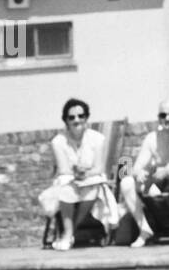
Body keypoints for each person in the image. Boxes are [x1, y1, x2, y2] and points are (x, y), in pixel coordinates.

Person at [39, 98, 119, 250]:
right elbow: (63, 170)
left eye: (81, 116)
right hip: (69, 180)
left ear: (86, 118)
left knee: (93, 190)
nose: (77, 120)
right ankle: (69, 233)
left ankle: (69, 233)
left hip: (91, 180)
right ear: (66, 121)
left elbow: (99, 168)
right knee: (66, 190)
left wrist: (85, 173)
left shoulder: (97, 139)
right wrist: (77, 174)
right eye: (72, 117)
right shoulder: (58, 142)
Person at [119, 99, 169, 247]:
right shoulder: (152, 138)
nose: (167, 118)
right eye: (163, 115)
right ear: (159, 118)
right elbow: (136, 167)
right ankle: (144, 229)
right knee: (126, 182)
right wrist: (140, 173)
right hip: (158, 187)